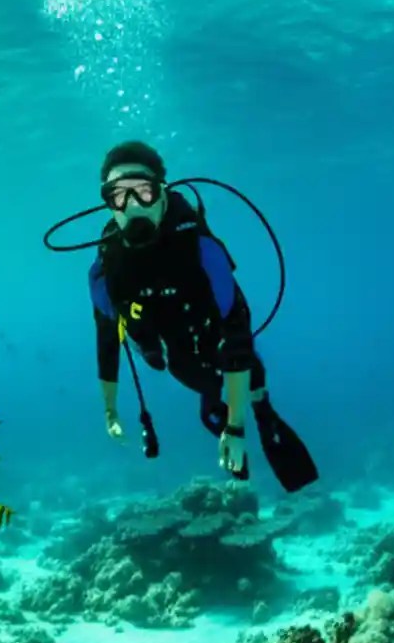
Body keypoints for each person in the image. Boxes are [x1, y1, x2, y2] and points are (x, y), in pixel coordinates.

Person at [88, 141, 318, 492]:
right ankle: (216, 404)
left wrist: (237, 427)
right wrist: (110, 410)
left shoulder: (201, 249)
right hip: (170, 346)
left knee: (241, 369)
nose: (132, 206)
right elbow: (107, 338)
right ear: (108, 203)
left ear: (163, 191)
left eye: (143, 192)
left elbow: (238, 330)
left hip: (213, 334)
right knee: (191, 378)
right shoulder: (106, 268)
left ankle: (259, 406)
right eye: (118, 196)